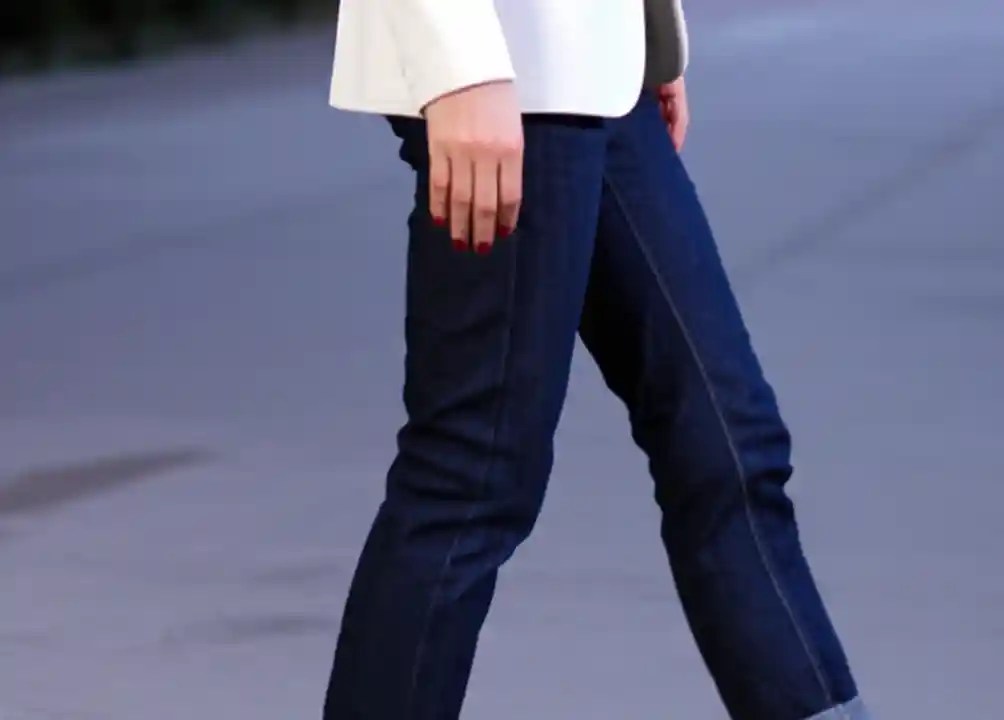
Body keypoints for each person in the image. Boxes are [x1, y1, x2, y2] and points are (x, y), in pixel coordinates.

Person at [322, 1, 871, 718]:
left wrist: (636, 31)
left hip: (596, 68)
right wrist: (459, 68)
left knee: (728, 448)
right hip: (507, 68)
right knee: (472, 475)